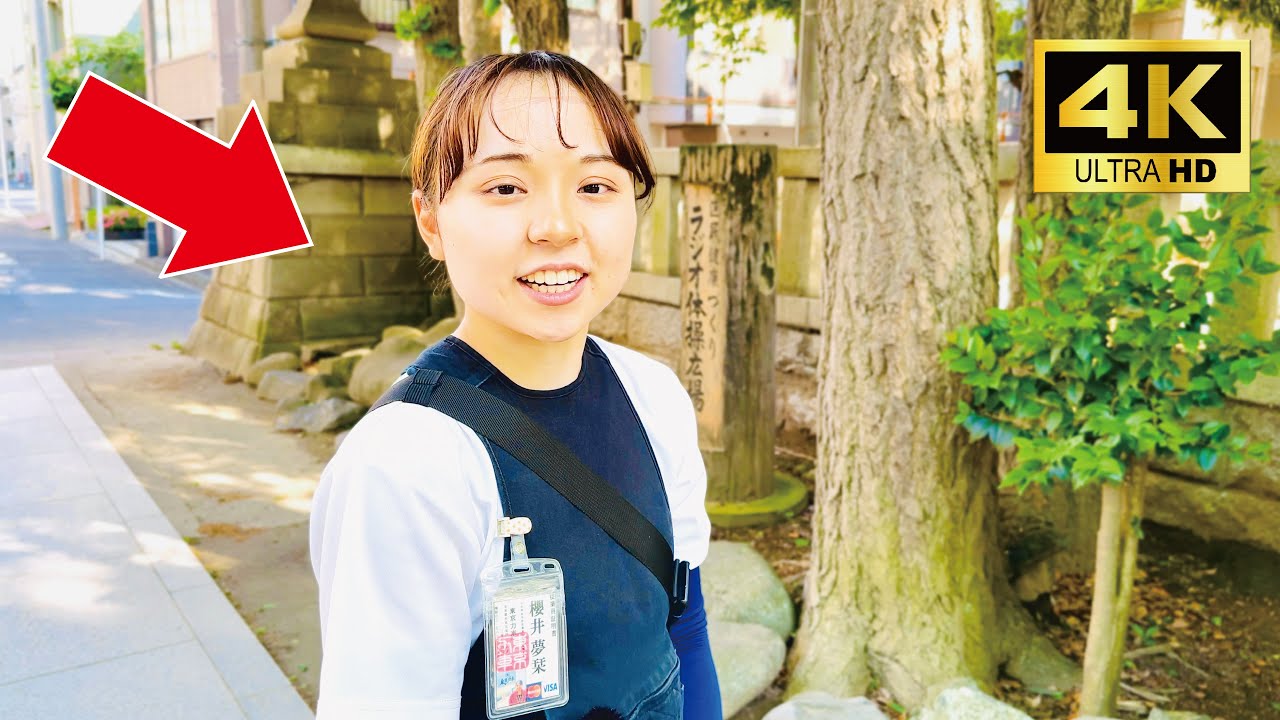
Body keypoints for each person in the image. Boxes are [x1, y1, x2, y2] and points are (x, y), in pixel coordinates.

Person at [309, 51, 722, 719]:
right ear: (431, 220)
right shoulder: (405, 463)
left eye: (595, 187)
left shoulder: (655, 396)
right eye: (505, 188)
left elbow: (684, 627)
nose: (557, 226)